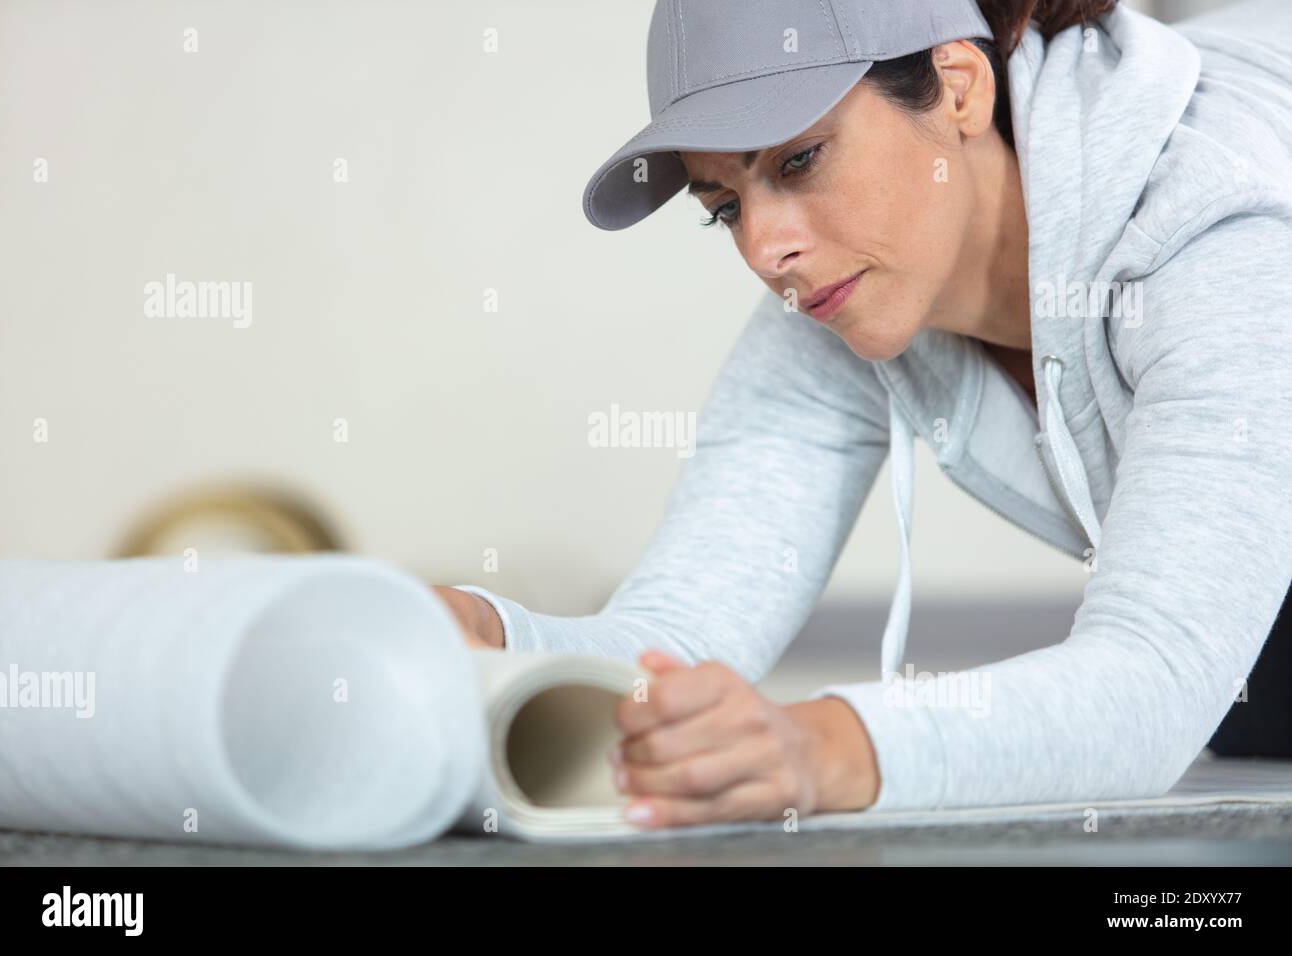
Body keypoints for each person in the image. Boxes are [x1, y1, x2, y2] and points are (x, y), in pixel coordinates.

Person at [435, 0, 1292, 829]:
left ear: (959, 87)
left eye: (800, 160)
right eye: (725, 206)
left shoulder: (1215, 235)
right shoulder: (837, 301)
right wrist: (494, 632)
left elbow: (1153, 681)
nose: (767, 250)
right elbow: (677, 637)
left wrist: (822, 751)